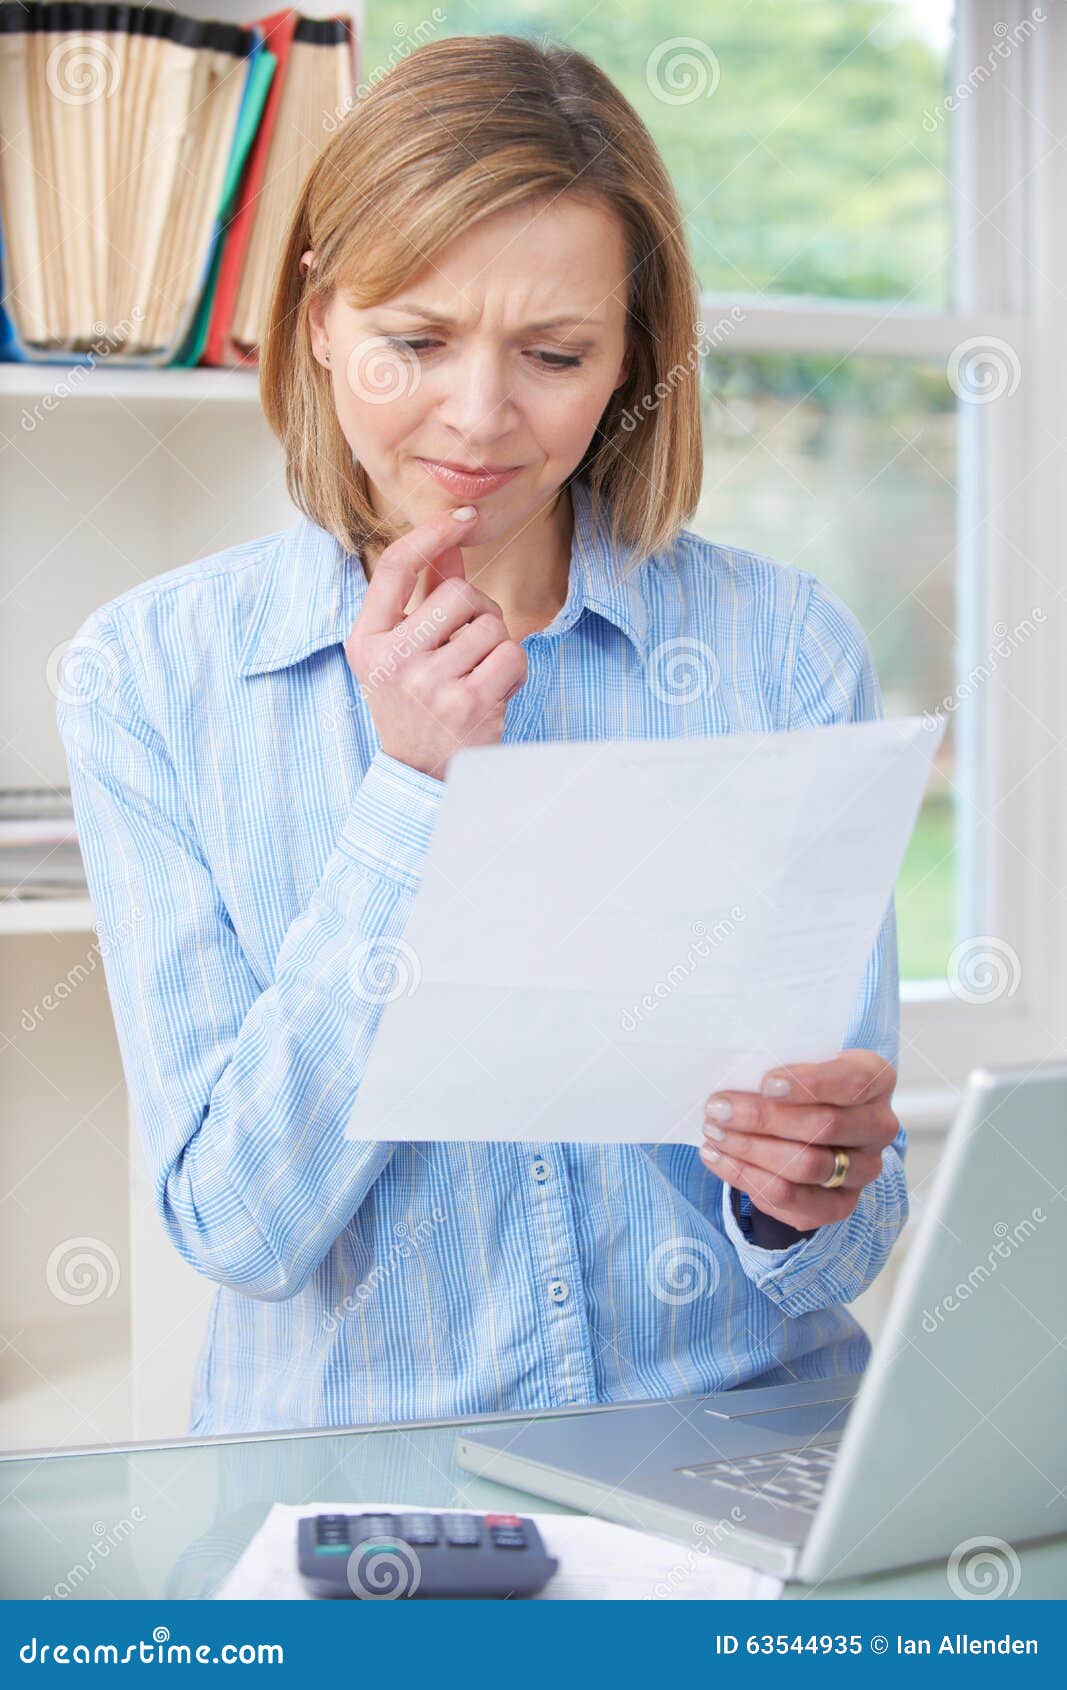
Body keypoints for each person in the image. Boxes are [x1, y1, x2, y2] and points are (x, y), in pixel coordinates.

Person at [58, 34, 905, 1439]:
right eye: (416, 341)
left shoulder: (785, 648)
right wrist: (410, 792)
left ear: (635, 352)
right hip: (362, 1485)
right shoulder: (149, 676)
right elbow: (236, 1225)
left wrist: (802, 1189)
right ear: (318, 317)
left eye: (557, 353)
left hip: (743, 1450)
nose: (478, 417)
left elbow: (851, 1233)